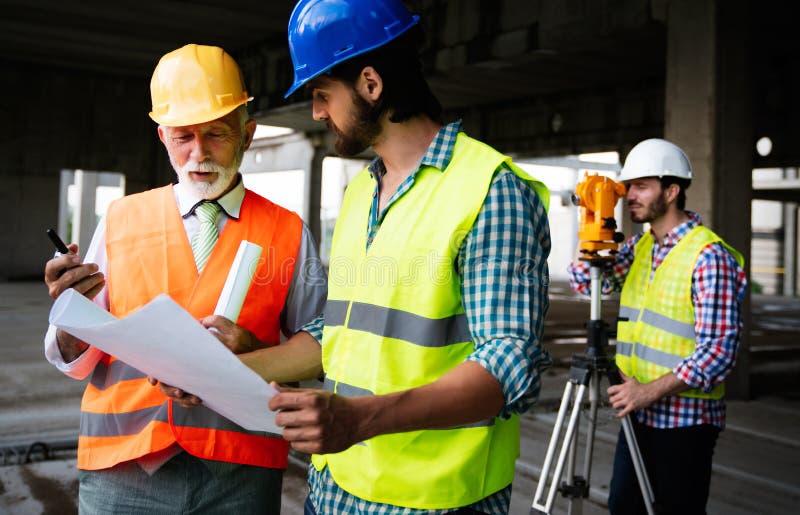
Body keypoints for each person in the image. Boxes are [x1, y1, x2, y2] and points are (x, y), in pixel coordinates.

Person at [268, 1, 552, 513]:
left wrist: (358, 420)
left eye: (321, 94)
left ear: (371, 85)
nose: (316, 111)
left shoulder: (490, 191)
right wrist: (223, 366)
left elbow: (510, 363)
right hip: (334, 487)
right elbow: (339, 333)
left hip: (433, 500)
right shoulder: (359, 194)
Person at [43, 44, 327, 514]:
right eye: (183, 136)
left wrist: (253, 349)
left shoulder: (288, 231)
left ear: (248, 134)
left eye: (216, 134)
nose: (199, 153)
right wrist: (70, 315)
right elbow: (74, 356)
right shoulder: (121, 218)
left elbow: (321, 347)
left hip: (241, 469)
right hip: (123, 465)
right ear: (162, 137)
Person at [567, 138, 747, 514]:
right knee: (624, 508)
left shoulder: (708, 257)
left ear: (672, 190)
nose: (629, 195)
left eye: (641, 186)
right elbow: (586, 283)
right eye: (627, 186)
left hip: (684, 424)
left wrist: (648, 392)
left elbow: (719, 352)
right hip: (638, 415)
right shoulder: (640, 247)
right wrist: (595, 222)